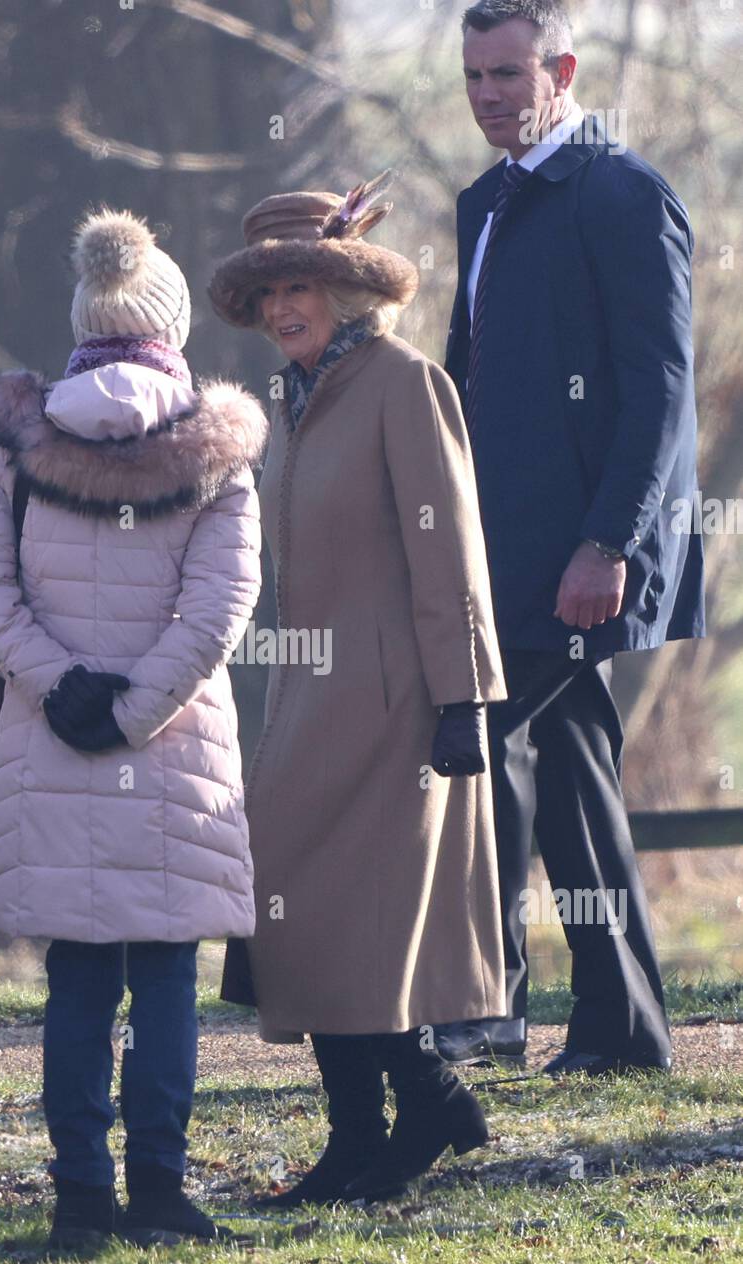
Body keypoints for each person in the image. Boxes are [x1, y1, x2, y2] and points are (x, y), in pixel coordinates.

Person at [0, 208, 265, 1250]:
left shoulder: (13, 441)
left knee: (80, 975)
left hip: (52, 739)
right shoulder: (217, 453)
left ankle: (80, 1198)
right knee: (166, 972)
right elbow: (220, 609)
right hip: (174, 752)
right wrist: (137, 708)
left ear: (84, 317)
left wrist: (62, 689)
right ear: (172, 325)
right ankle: (163, 1191)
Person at [207, 175, 509, 1206]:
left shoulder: (401, 381)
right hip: (305, 698)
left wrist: (464, 695)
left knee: (358, 923)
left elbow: (452, 551)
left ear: (346, 291)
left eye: (304, 286)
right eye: (270, 294)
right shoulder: (289, 404)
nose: (284, 308)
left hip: (397, 703)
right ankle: (407, 1108)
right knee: (299, 915)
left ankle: (389, 1123)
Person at [436, 0, 704, 1073]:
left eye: (508, 72)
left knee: (485, 739)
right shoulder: (482, 203)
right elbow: (464, 380)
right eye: (473, 77)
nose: (489, 94)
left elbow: (661, 394)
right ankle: (623, 1024)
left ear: (562, 67)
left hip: (589, 557)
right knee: (570, 759)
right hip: (502, 554)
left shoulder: (622, 192)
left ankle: (489, 1005)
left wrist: (609, 544)